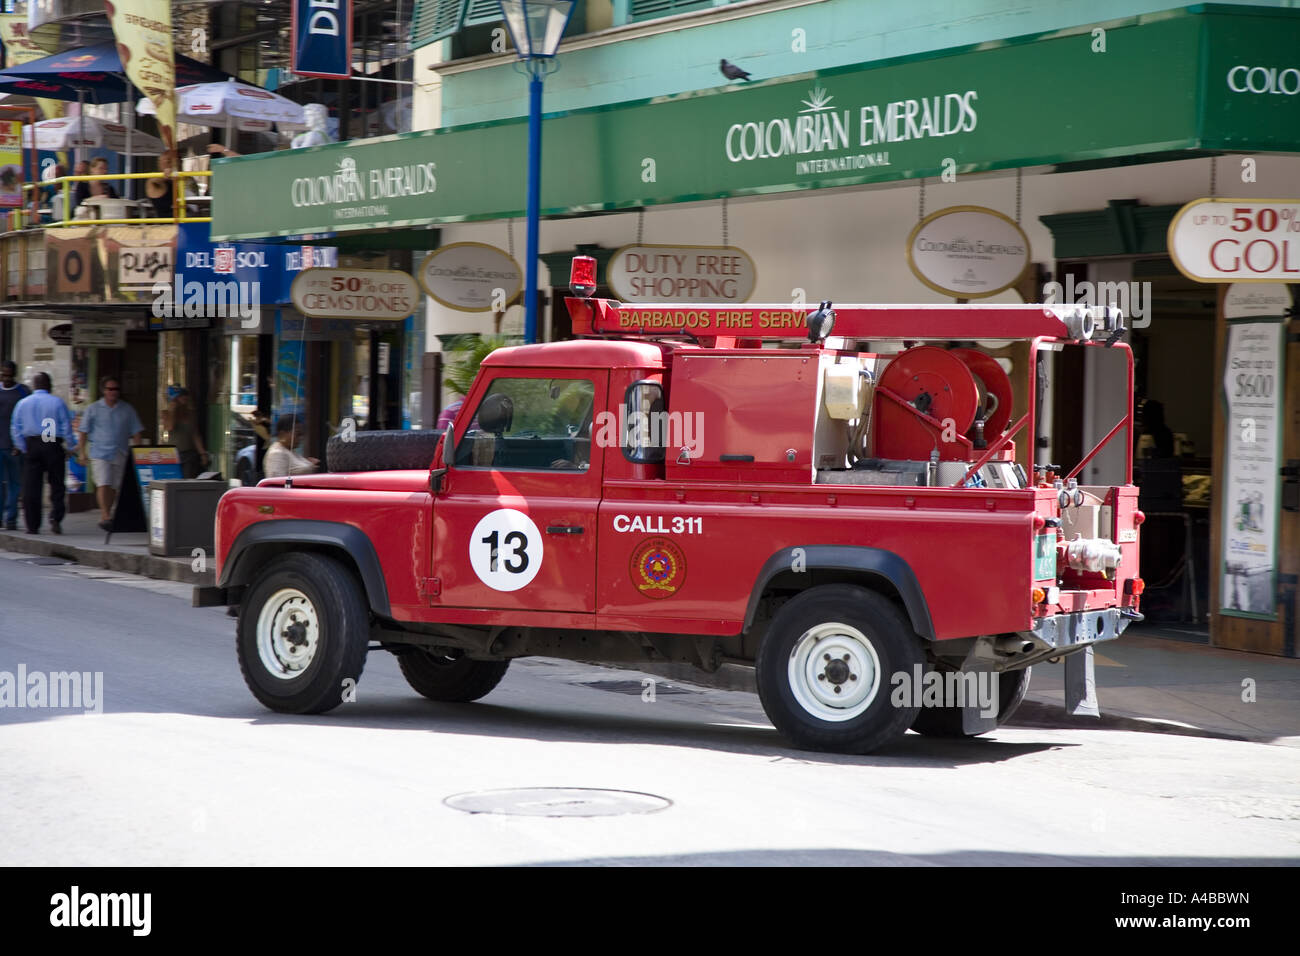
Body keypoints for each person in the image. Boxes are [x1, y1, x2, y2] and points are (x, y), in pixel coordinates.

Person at [9, 372, 77, 535]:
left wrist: (24, 447)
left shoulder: (23, 403)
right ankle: (55, 517)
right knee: (57, 484)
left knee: (31, 486)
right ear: (49, 385)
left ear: (34, 386)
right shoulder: (57, 402)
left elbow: (15, 428)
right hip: (52, 442)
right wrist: (71, 446)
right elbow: (66, 427)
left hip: (32, 444)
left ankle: (32, 525)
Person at [78, 376, 144, 532]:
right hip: (100, 452)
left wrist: (138, 453)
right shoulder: (93, 409)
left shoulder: (127, 409)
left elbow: (137, 432)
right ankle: (105, 514)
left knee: (115, 485)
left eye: (116, 389)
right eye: (110, 389)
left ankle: (109, 511)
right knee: (103, 483)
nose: (114, 392)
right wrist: (82, 453)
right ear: (103, 391)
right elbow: (83, 432)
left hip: (119, 452)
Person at [0, 360, 31, 530]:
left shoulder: (23, 392)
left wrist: (21, 443)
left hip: (15, 447)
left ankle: (11, 518)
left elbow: (27, 419)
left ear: (14, 374)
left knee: (14, 484)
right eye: (3, 374)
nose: (6, 377)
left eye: (9, 374)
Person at [162, 386, 209, 478]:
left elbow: (195, 435)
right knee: (174, 480)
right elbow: (170, 427)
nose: (185, 400)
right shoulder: (166, 413)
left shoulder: (191, 414)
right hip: (173, 453)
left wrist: (202, 453)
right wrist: (173, 411)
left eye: (186, 398)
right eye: (181, 397)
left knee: (187, 479)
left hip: (189, 454)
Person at [145, 150, 177, 219]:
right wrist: (165, 175)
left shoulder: (179, 178)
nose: (171, 164)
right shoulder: (154, 180)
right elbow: (153, 180)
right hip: (167, 221)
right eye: (169, 161)